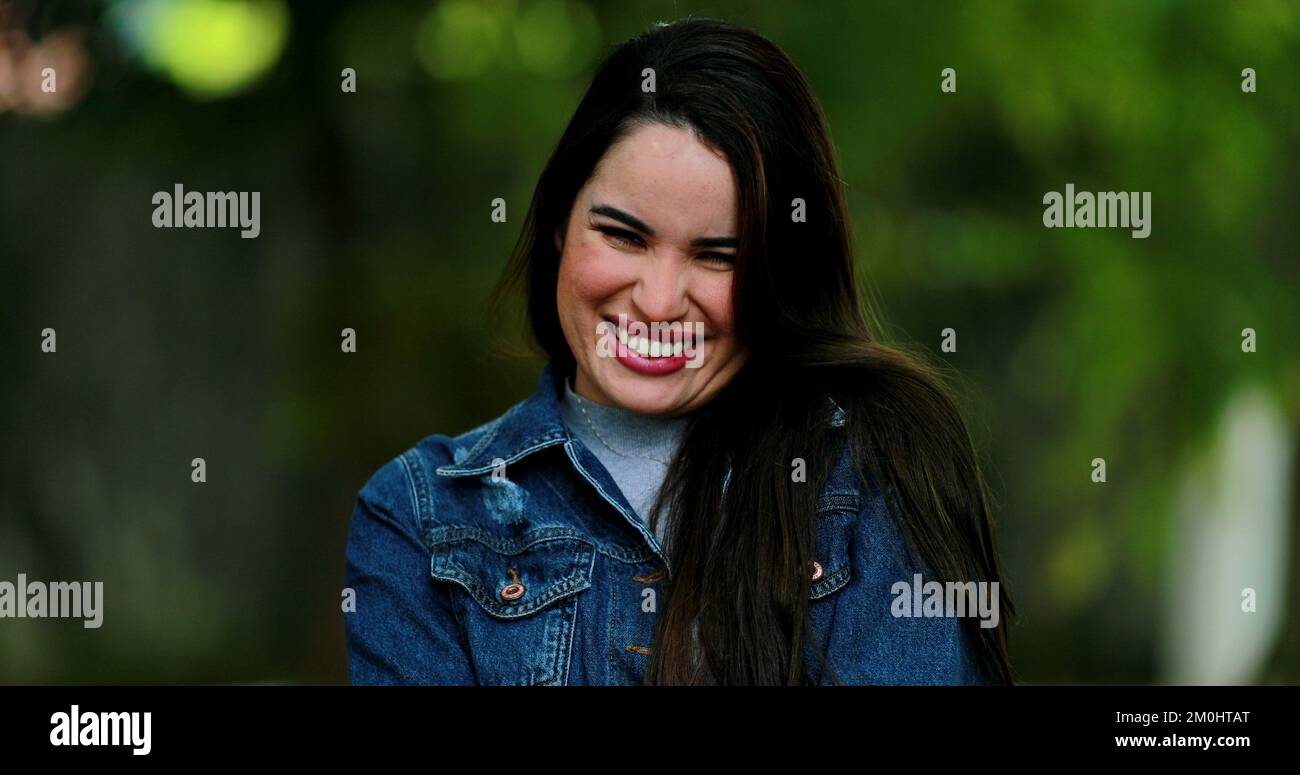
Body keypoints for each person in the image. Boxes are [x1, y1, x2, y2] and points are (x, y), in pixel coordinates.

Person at [345, 17, 1013, 685]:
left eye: (717, 256)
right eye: (623, 236)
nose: (659, 301)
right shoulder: (419, 517)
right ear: (558, 222)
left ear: (784, 273)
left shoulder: (869, 468)